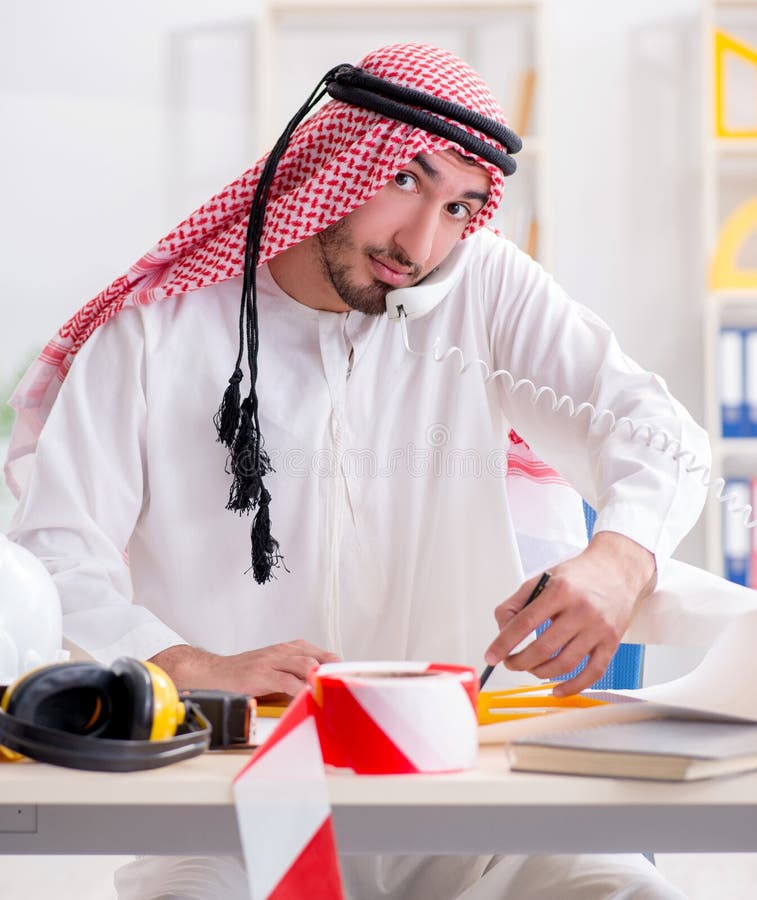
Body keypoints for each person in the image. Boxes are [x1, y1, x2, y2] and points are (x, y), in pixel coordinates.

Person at [4, 42, 704, 899]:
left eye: (460, 206)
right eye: (406, 181)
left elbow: (656, 431)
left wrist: (620, 555)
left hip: (472, 802)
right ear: (336, 156)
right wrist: (186, 663)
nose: (420, 241)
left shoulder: (482, 288)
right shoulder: (155, 332)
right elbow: (56, 559)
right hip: (234, 810)